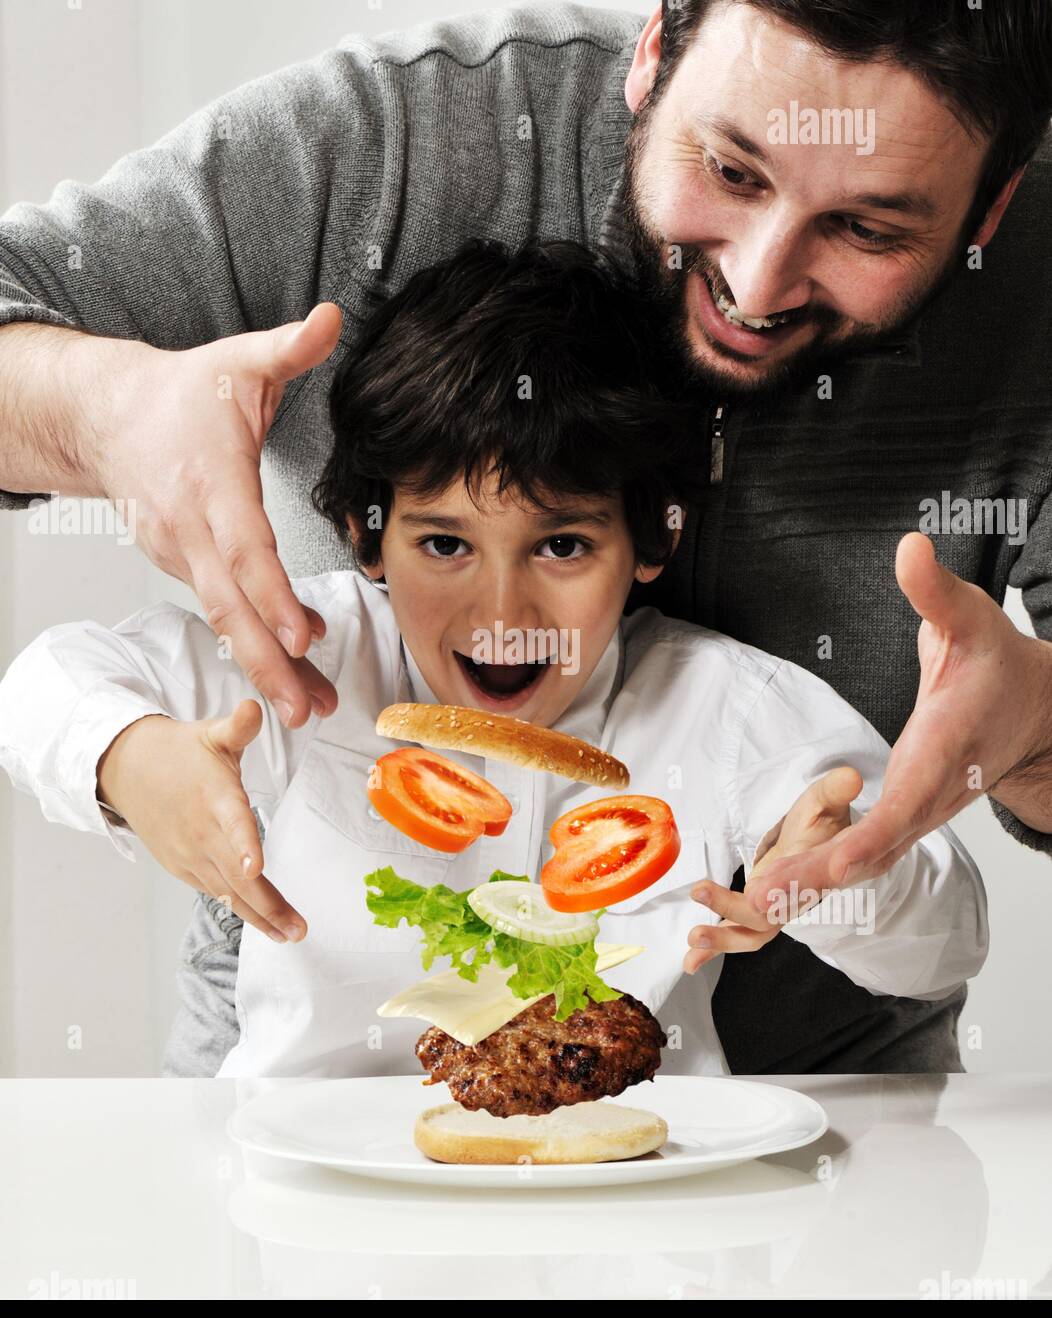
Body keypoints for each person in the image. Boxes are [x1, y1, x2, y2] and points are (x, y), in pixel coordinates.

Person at [1, 1, 1048, 1071]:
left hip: (746, 1168)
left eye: (868, 227)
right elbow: (46, 688)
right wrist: (102, 410)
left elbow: (936, 930)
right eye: (731, 170)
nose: (757, 282)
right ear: (653, 50)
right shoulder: (309, 661)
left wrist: (1012, 749)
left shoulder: (726, 707)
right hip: (293, 1177)